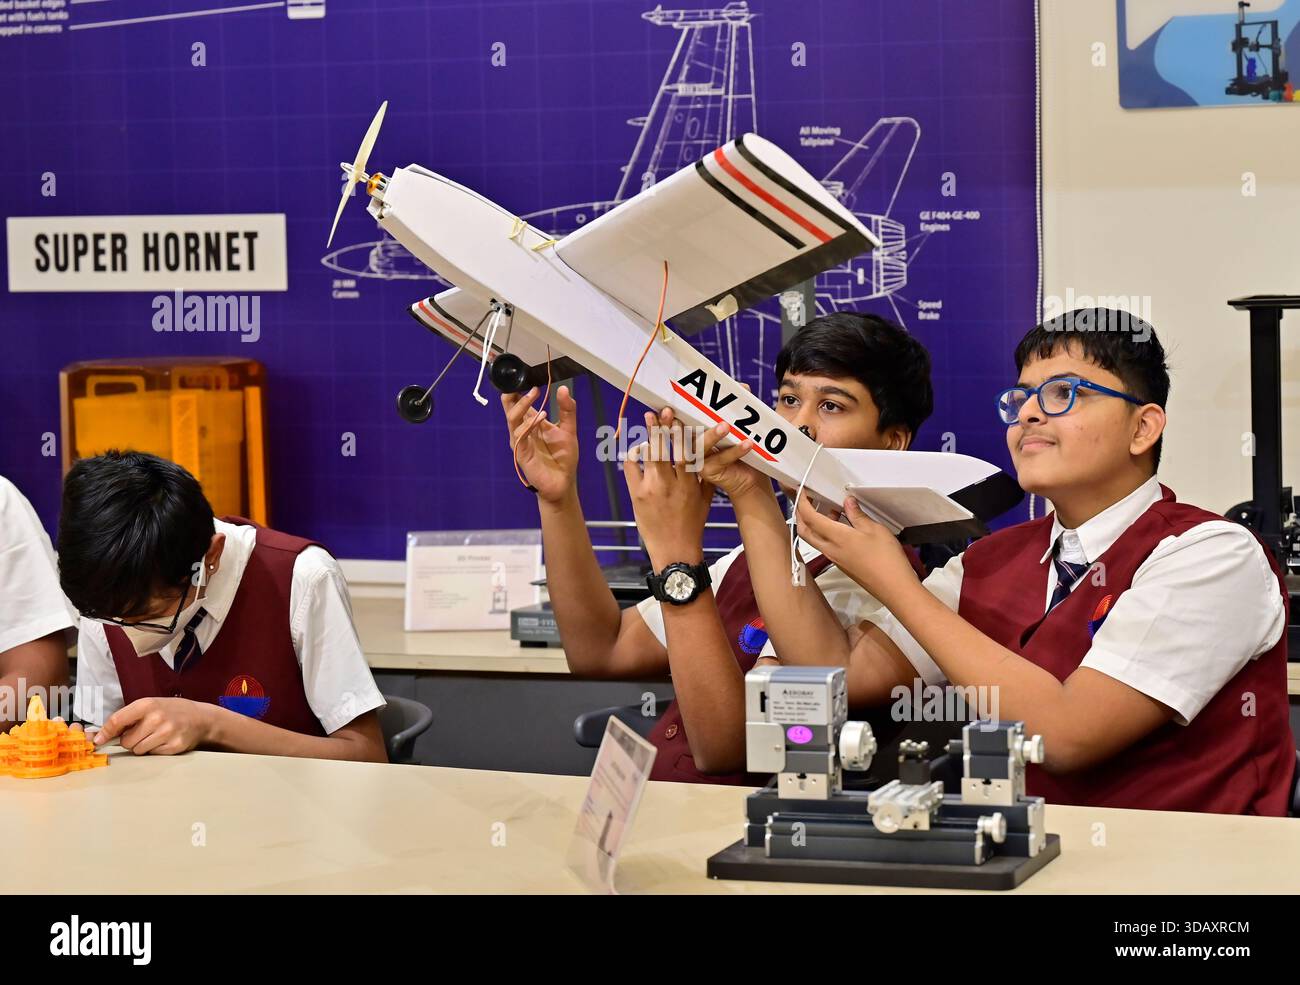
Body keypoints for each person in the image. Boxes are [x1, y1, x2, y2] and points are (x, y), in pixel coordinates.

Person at [59, 451, 388, 762]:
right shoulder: (103, 602)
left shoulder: (303, 579)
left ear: (211, 558)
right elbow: (100, 734)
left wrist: (211, 724)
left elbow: (367, 756)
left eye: (150, 616)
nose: (128, 631)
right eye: (113, 619)